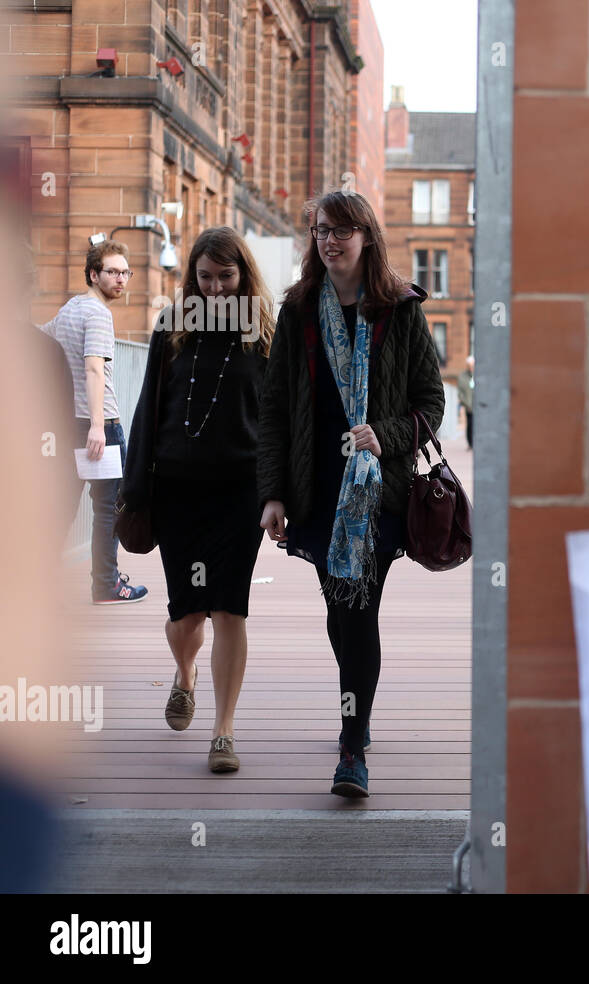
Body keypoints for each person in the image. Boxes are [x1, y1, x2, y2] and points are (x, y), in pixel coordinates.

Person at [257, 189, 444, 798]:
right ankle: (355, 707)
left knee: (358, 610)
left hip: (379, 491)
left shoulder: (400, 309)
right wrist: (274, 493)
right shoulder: (299, 310)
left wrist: (383, 436)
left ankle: (351, 744)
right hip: (317, 491)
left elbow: (430, 404)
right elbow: (275, 411)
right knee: (342, 612)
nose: (330, 241)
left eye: (341, 231)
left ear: (366, 236)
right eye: (320, 232)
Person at [121, 227, 275, 773]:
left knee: (230, 606)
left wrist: (281, 494)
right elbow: (147, 409)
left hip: (240, 492)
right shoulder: (173, 326)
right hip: (178, 492)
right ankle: (184, 675)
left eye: (226, 277)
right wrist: (134, 487)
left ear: (244, 276)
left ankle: (223, 731)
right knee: (187, 615)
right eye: (205, 277)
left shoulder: (263, 333)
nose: (214, 289)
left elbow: (279, 420)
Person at [41, 240, 148, 604]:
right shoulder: (99, 314)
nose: (121, 280)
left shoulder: (70, 308)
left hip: (69, 423)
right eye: (112, 272)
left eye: (125, 272)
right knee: (108, 508)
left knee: (63, 506)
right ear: (93, 274)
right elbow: (92, 368)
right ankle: (106, 584)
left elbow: (42, 341)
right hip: (98, 426)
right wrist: (99, 427)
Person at [457, 355, 474, 449]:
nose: (471, 367)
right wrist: (465, 403)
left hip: (479, 406)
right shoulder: (463, 376)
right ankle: (470, 443)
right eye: (470, 365)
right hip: (469, 406)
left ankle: (475, 442)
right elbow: (460, 393)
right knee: (470, 425)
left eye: (473, 365)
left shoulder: (479, 375)